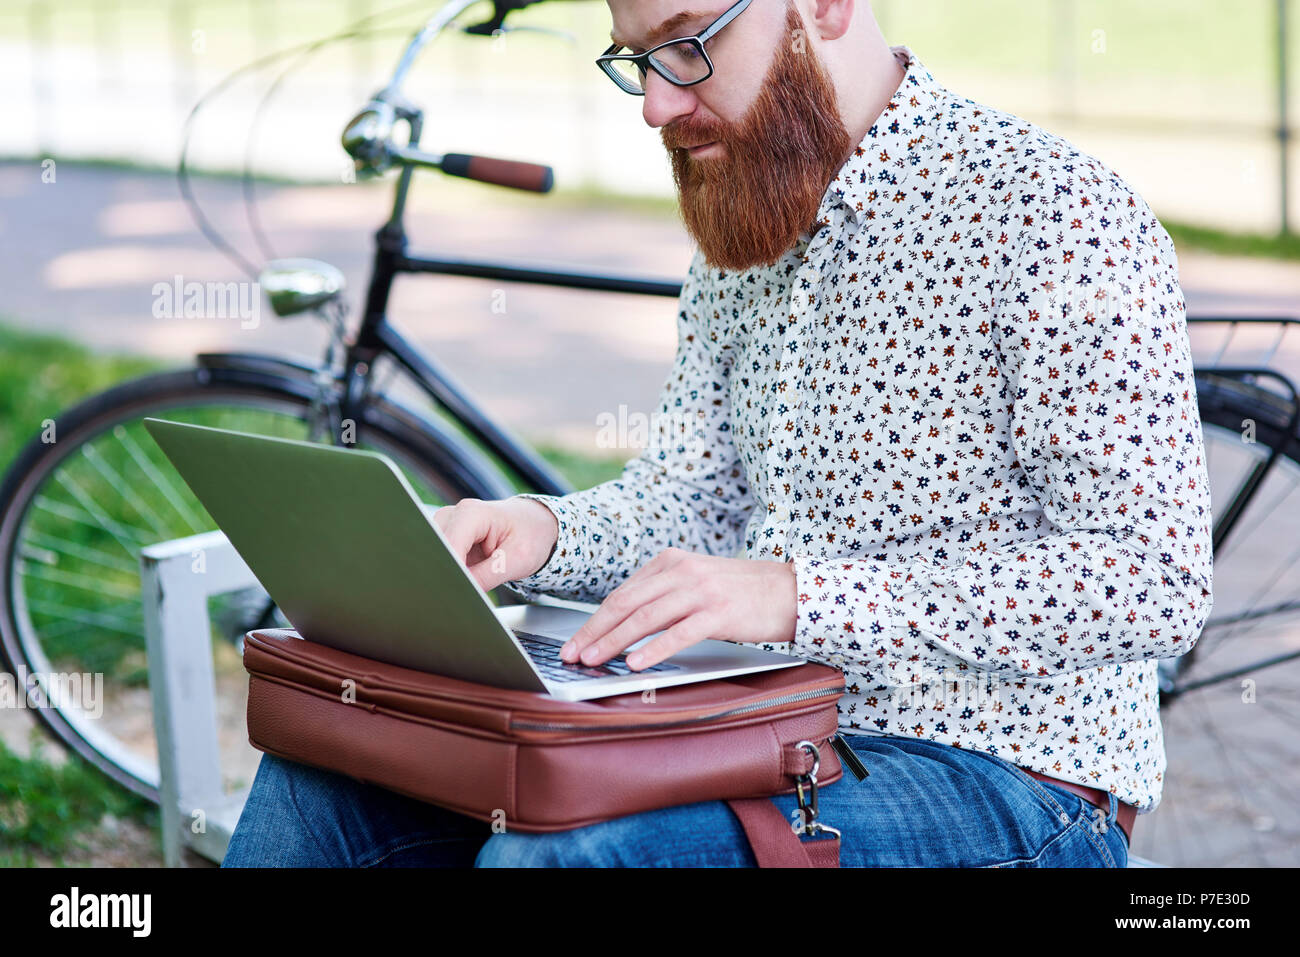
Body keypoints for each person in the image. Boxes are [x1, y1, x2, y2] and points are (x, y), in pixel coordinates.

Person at [223, 0, 1213, 867]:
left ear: (822, 5)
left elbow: (1154, 579)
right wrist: (542, 532)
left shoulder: (1054, 214)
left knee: (575, 855)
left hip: (1012, 783)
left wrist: (795, 594)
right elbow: (695, 498)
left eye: (686, 43)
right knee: (326, 782)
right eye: (634, 61)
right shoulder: (749, 217)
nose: (655, 103)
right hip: (754, 725)